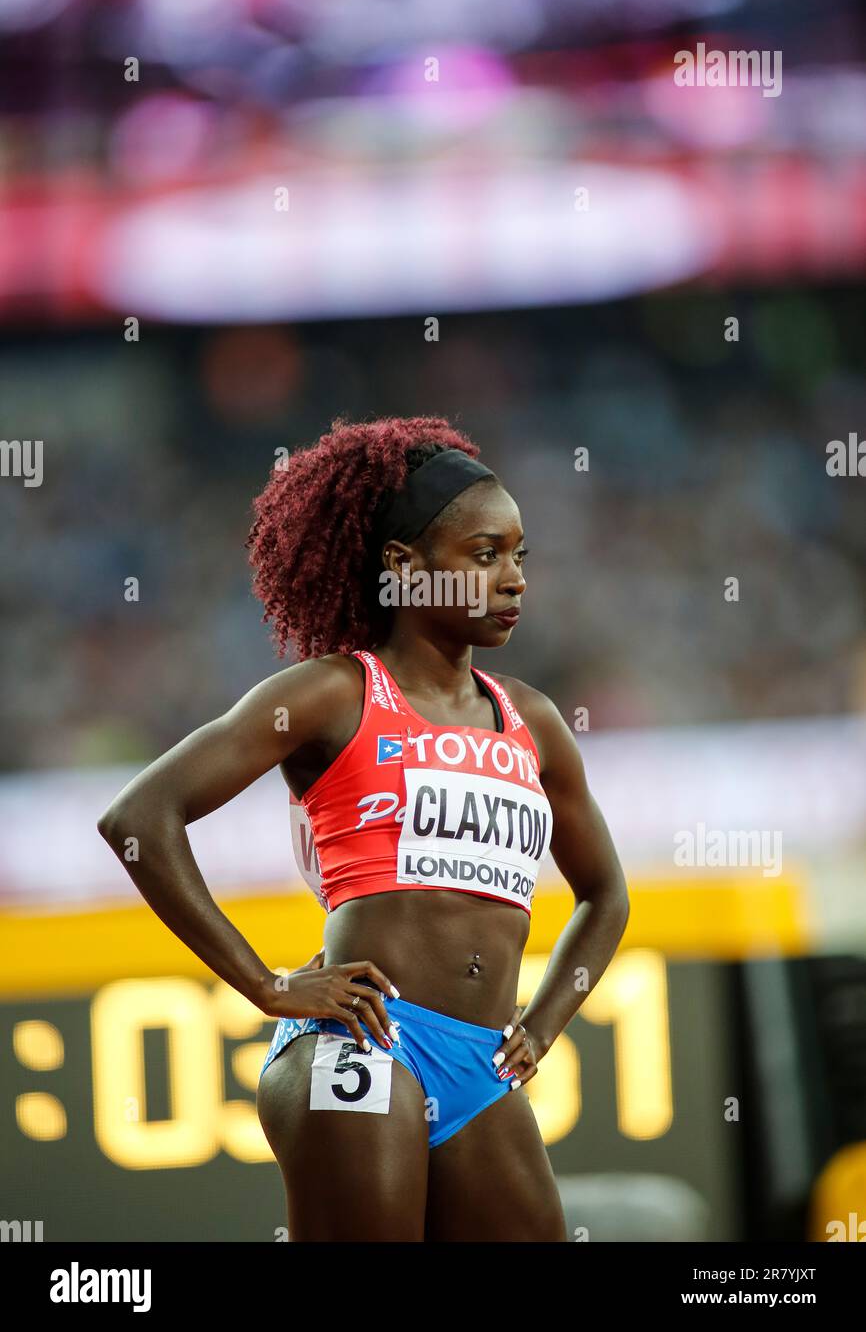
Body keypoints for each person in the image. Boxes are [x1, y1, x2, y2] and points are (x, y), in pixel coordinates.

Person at [97, 415, 629, 1242]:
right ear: (404, 567)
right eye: (483, 556)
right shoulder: (333, 694)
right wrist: (265, 985)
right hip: (363, 1044)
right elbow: (139, 817)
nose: (514, 579)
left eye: (520, 555)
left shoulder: (533, 721)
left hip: (480, 1065)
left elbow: (605, 895)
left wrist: (548, 1020)